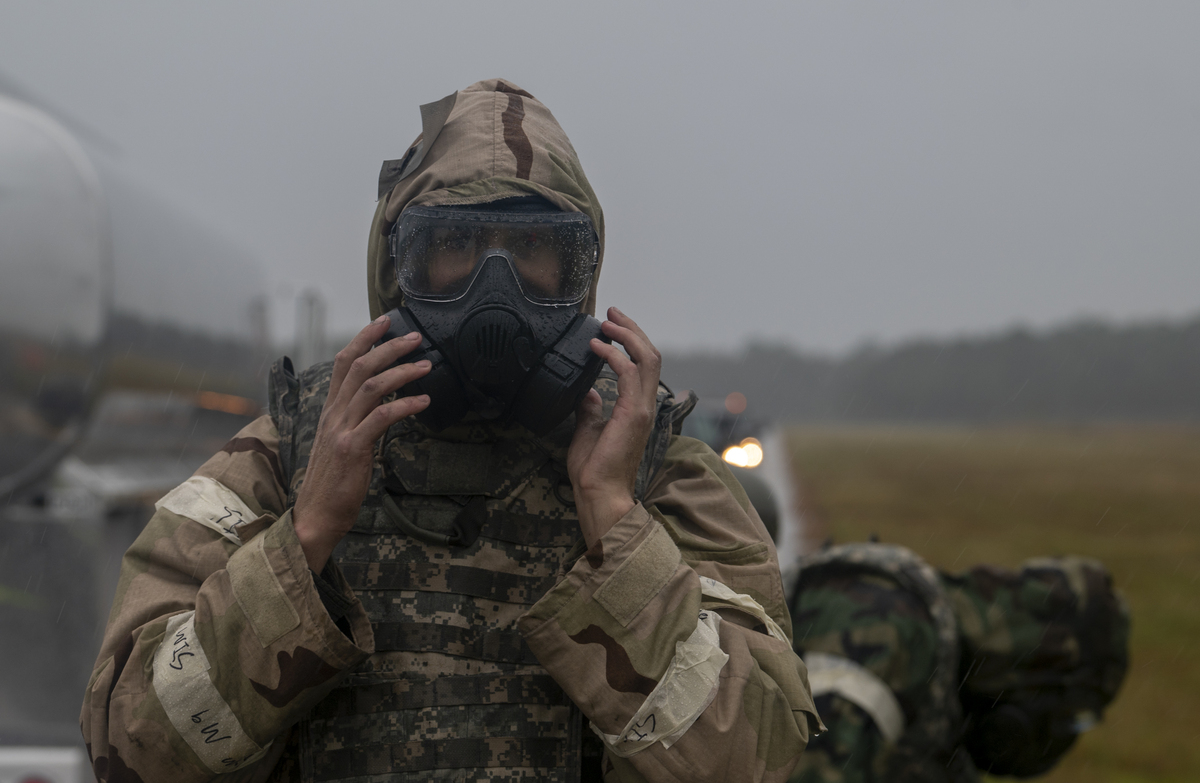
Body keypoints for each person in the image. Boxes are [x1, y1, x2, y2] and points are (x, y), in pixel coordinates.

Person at [81, 79, 821, 783]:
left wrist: (618, 525)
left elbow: (755, 759)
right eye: (456, 243)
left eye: (532, 250)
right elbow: (130, 747)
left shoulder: (659, 474)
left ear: (578, 272)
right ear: (402, 268)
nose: (493, 285)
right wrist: (302, 541)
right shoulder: (283, 460)